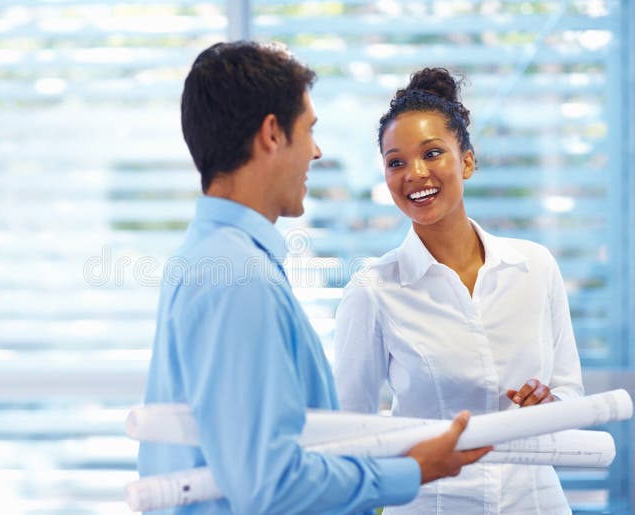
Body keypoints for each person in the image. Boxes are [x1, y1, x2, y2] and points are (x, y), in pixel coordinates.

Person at [137, 42, 491, 514]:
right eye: (309, 130)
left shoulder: (213, 259)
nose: (317, 152)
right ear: (271, 135)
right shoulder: (236, 279)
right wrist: (414, 469)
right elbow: (270, 483)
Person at [334, 67, 584, 514]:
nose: (415, 173)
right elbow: (351, 434)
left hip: (534, 502)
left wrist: (549, 406)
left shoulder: (535, 268)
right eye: (396, 162)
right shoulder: (373, 291)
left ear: (467, 160)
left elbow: (570, 396)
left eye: (433, 153)